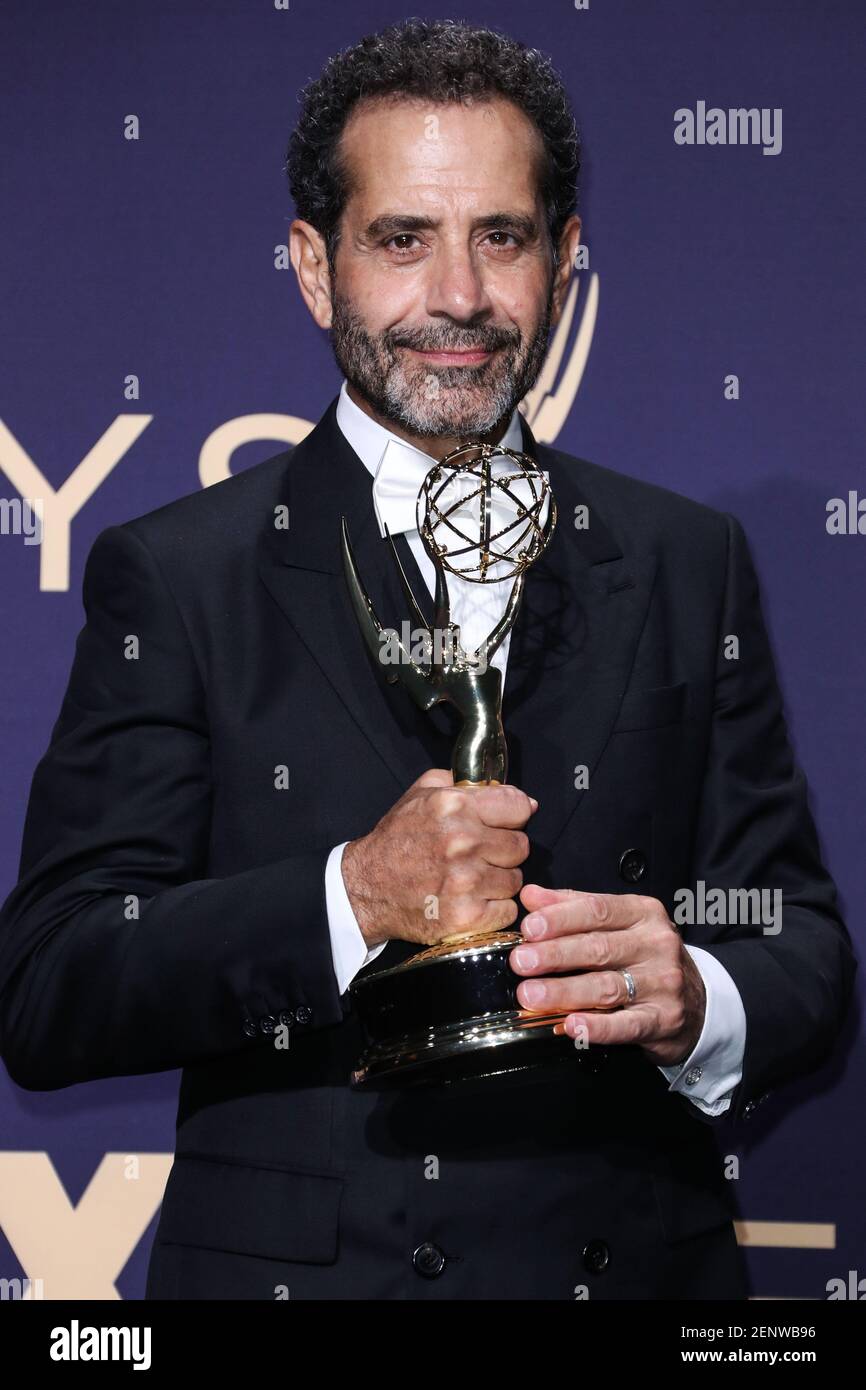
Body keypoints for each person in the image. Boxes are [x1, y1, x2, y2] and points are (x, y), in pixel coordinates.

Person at [0, 19, 854, 1300]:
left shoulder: (686, 559)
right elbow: (53, 981)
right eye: (401, 239)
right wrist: (347, 896)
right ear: (311, 265)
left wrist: (695, 994)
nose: (457, 296)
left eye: (500, 237)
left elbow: (799, 944)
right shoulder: (183, 573)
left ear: (563, 263)